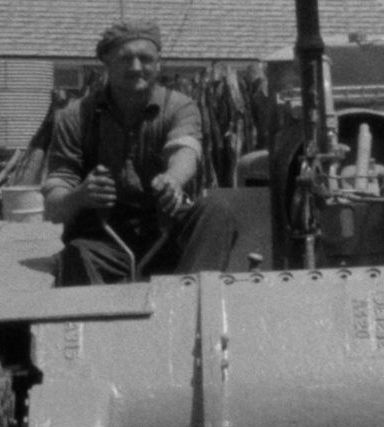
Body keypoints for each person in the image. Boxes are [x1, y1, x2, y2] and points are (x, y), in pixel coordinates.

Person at [43, 20, 238, 286]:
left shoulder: (179, 107)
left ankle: (186, 305)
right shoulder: (74, 117)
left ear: (158, 64)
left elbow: (185, 150)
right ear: (107, 64)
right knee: (74, 257)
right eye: (125, 59)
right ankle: (97, 324)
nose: (136, 68)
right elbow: (54, 206)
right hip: (102, 239)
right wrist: (81, 195)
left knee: (216, 212)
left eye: (145, 58)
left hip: (164, 232)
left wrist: (173, 179)